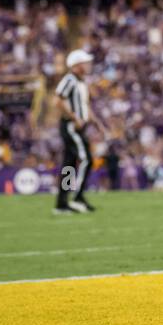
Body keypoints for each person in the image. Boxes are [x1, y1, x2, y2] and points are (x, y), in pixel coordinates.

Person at [53, 48, 106, 214]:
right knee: (86, 159)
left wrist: (97, 123)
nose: (88, 65)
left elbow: (85, 106)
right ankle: (78, 197)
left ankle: (62, 203)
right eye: (85, 62)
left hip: (77, 126)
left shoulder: (82, 82)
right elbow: (58, 100)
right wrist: (75, 117)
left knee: (69, 165)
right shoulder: (69, 79)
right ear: (76, 65)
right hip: (71, 126)